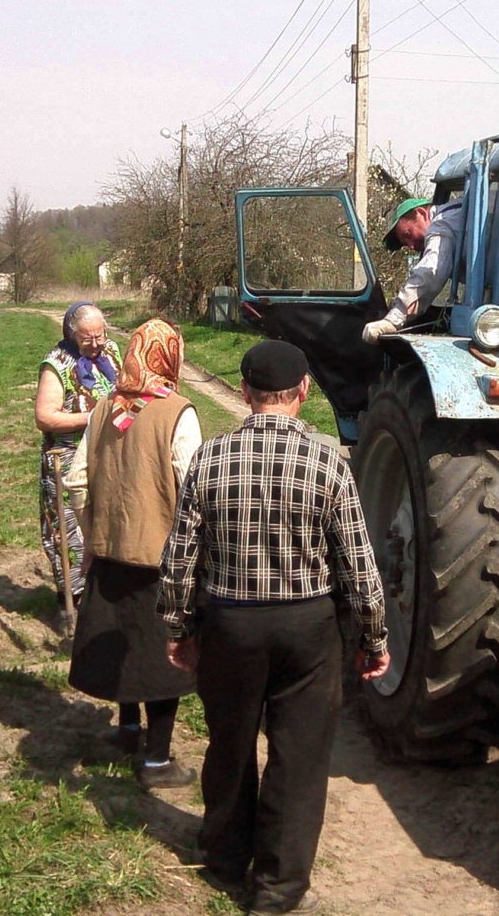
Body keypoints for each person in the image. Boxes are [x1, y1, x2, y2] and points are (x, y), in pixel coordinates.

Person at [159, 339, 389, 916]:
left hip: (230, 625)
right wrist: (374, 637)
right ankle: (279, 888)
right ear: (304, 392)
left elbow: (180, 557)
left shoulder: (209, 459)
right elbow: (359, 564)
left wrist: (180, 626)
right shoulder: (328, 462)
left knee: (230, 743)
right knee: (300, 756)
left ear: (245, 392)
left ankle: (226, 858)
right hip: (307, 628)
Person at [63, 318, 202, 788]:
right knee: (162, 658)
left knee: (123, 642)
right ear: (170, 358)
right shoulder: (177, 411)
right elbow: (193, 486)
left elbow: (76, 480)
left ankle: (127, 730)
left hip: (108, 552)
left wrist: (92, 535)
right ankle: (158, 761)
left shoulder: (105, 407)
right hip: (160, 557)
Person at [34, 302, 123, 609]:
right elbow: (45, 417)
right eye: (88, 339)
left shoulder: (111, 351)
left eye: (100, 336)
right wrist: (93, 418)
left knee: (108, 524)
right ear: (72, 334)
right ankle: (74, 601)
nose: (96, 344)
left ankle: (105, 595)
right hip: (69, 459)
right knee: (71, 530)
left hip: (107, 454)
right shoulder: (56, 363)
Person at [361, 194, 465, 343]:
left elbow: (429, 273)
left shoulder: (442, 225)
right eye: (406, 244)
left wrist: (394, 319)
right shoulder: (461, 211)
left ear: (421, 214)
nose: (411, 246)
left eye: (408, 234)